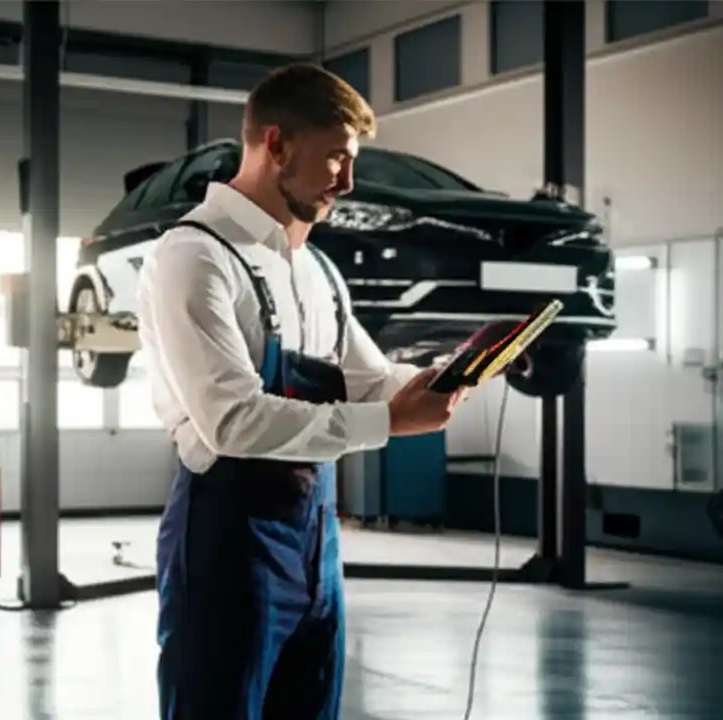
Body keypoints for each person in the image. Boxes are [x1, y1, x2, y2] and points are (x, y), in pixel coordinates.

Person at [137, 63, 470, 720]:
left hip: (316, 539)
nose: (348, 181)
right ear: (277, 144)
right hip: (228, 541)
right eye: (336, 159)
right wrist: (385, 424)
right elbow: (231, 422)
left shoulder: (318, 269)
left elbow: (375, 379)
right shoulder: (195, 257)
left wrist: (454, 376)